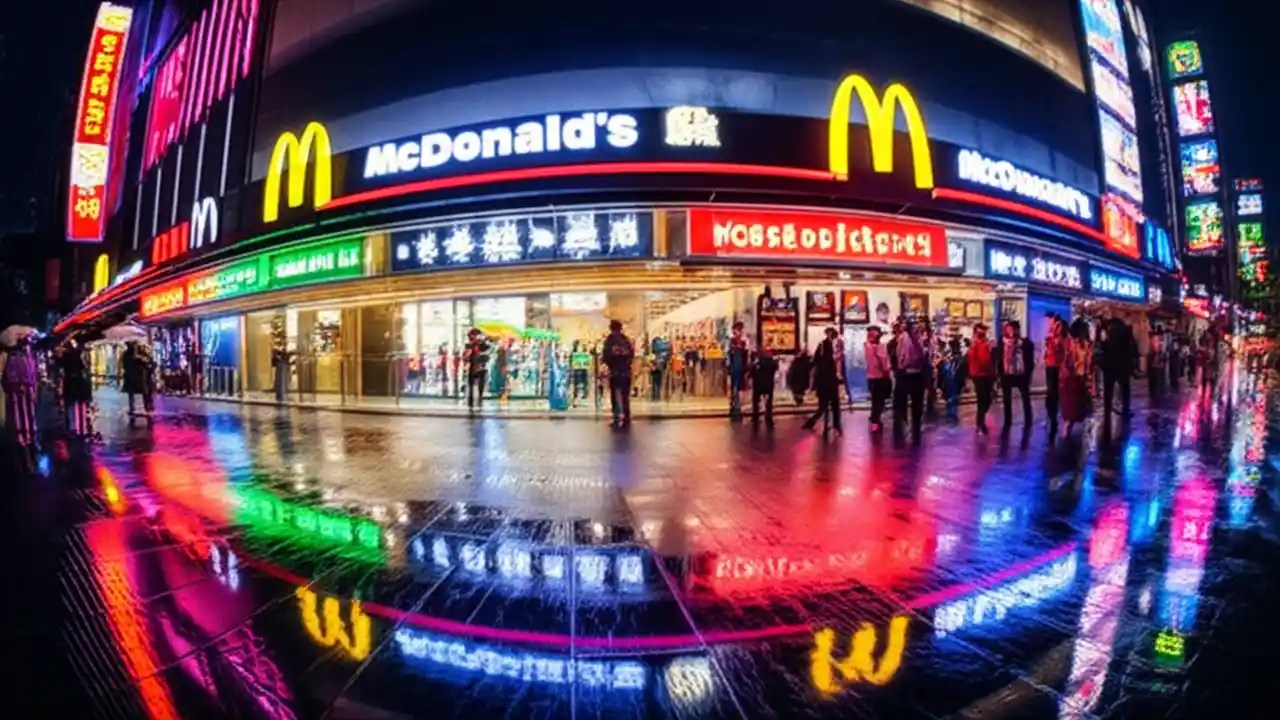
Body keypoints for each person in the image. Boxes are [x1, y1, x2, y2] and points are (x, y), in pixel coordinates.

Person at [995, 320, 1034, 430]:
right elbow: (999, 358)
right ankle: (1008, 421)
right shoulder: (1002, 342)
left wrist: (1029, 372)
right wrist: (999, 374)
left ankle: (1028, 419)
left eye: (1013, 329)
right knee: (1007, 399)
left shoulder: (1025, 343)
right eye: (1009, 329)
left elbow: (1030, 360)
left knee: (1025, 397)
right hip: (1007, 373)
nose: (1011, 331)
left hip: (1021, 374)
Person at [803, 327, 842, 435]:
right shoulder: (829, 349)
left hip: (822, 381)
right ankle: (836, 426)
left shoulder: (821, 347)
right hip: (829, 381)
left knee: (823, 405)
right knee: (834, 405)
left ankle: (813, 423)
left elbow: (815, 361)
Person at [892, 319, 927, 439]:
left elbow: (921, 355)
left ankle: (915, 430)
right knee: (902, 403)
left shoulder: (918, 339)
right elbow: (901, 357)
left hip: (916, 374)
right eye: (915, 325)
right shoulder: (904, 338)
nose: (917, 327)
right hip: (907, 374)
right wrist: (904, 366)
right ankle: (901, 429)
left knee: (917, 405)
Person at [2, 338, 39, 446]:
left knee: (29, 410)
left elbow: (33, 372)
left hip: (27, 385)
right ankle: (23, 434)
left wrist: (33, 385)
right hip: (19, 386)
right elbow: (11, 373)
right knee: (21, 410)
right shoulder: (16, 357)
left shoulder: (28, 357)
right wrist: (20, 382)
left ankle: (30, 433)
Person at [1060, 319, 1093, 437]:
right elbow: (1067, 361)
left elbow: (1089, 362)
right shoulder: (1071, 343)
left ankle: (1073, 434)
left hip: (1080, 377)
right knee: (1071, 407)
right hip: (1072, 377)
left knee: (1078, 407)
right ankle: (1067, 432)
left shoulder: (1085, 344)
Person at [1101, 318, 1136, 421]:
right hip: (1123, 364)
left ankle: (1107, 412)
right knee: (1125, 389)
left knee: (1108, 390)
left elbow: (1102, 347)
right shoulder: (1126, 332)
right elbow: (1132, 348)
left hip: (1109, 364)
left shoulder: (1107, 332)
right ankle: (1125, 410)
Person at [602, 319, 635, 426]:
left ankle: (616, 418)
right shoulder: (625, 340)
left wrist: (609, 365)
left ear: (611, 328)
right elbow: (631, 354)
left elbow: (606, 355)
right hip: (626, 371)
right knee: (625, 396)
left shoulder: (610, 339)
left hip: (615, 372)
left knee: (615, 395)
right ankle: (626, 417)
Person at [59, 339, 94, 438]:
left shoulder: (69, 356)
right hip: (78, 384)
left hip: (72, 384)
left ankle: (75, 427)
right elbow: (84, 369)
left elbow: (60, 365)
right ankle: (81, 428)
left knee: (72, 405)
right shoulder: (78, 355)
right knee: (78, 405)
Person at [968, 323, 996, 434]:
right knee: (982, 398)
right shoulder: (975, 344)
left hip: (988, 374)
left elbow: (991, 358)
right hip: (978, 375)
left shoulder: (988, 343)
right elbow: (972, 358)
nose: (982, 334)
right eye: (980, 332)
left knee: (988, 399)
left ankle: (981, 420)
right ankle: (980, 423)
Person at [864, 325, 892, 432]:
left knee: (875, 400)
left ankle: (874, 419)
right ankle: (875, 420)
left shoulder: (867, 346)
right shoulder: (879, 347)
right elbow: (884, 362)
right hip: (880, 377)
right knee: (879, 400)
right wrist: (888, 372)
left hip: (870, 377)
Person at [121, 341, 156, 419]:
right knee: (142, 392)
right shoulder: (132, 354)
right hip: (137, 377)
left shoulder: (138, 354)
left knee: (139, 392)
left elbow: (149, 363)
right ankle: (144, 407)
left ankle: (138, 407)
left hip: (138, 377)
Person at [1043, 314, 1065, 431]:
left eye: (1050, 321)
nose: (1049, 324)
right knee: (1050, 390)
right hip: (1049, 364)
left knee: (1053, 391)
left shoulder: (1058, 333)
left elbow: (1058, 346)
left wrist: (1054, 334)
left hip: (1056, 365)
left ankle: (1053, 417)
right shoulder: (1050, 334)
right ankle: (1051, 415)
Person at [750, 342, 779, 426]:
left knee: (756, 401)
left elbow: (752, 371)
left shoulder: (758, 361)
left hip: (758, 383)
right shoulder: (773, 362)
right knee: (769, 402)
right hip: (768, 384)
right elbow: (775, 370)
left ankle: (756, 416)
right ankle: (768, 418)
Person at [463, 328, 491, 410]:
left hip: (481, 367)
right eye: (472, 335)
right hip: (473, 366)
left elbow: (487, 352)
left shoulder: (483, 344)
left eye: (475, 335)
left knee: (480, 384)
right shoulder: (470, 345)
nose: (473, 337)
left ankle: (479, 398)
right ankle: (471, 400)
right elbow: (466, 356)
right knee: (471, 384)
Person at [940, 333, 965, 422]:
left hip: (951, 379)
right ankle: (952, 413)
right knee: (953, 398)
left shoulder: (952, 357)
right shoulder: (955, 357)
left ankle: (951, 413)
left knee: (952, 398)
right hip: (951, 380)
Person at [727, 321, 749, 418]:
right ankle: (735, 404)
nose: (736, 332)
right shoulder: (733, 341)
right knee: (735, 386)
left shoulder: (743, 341)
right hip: (736, 367)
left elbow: (747, 355)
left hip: (739, 367)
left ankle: (737, 404)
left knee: (738, 386)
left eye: (737, 330)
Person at [1148, 324, 1165, 399]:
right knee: (1155, 375)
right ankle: (1155, 391)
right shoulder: (1159, 339)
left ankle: (1154, 391)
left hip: (1154, 361)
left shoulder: (1154, 339)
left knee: (1154, 376)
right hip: (1155, 361)